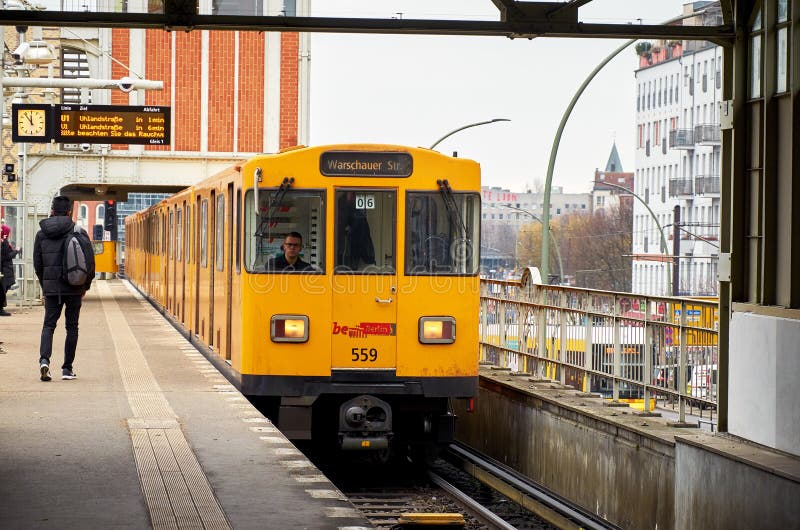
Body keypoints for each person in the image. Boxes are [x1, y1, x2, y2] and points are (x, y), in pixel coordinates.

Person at [33, 196, 95, 381]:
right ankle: (67, 369)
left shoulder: (41, 234)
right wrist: (85, 286)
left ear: (52, 211)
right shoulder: (79, 232)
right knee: (72, 327)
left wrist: (45, 285)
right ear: (69, 212)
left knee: (49, 325)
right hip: (74, 287)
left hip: (52, 289)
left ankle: (44, 361)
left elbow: (38, 264)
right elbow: (90, 263)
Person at [1, 224, 21, 316]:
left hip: (4, 269)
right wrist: (16, 251)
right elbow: (7, 256)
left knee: (3, 289)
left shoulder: (3, 242)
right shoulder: (4, 242)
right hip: (5, 269)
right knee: (3, 289)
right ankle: (0, 309)